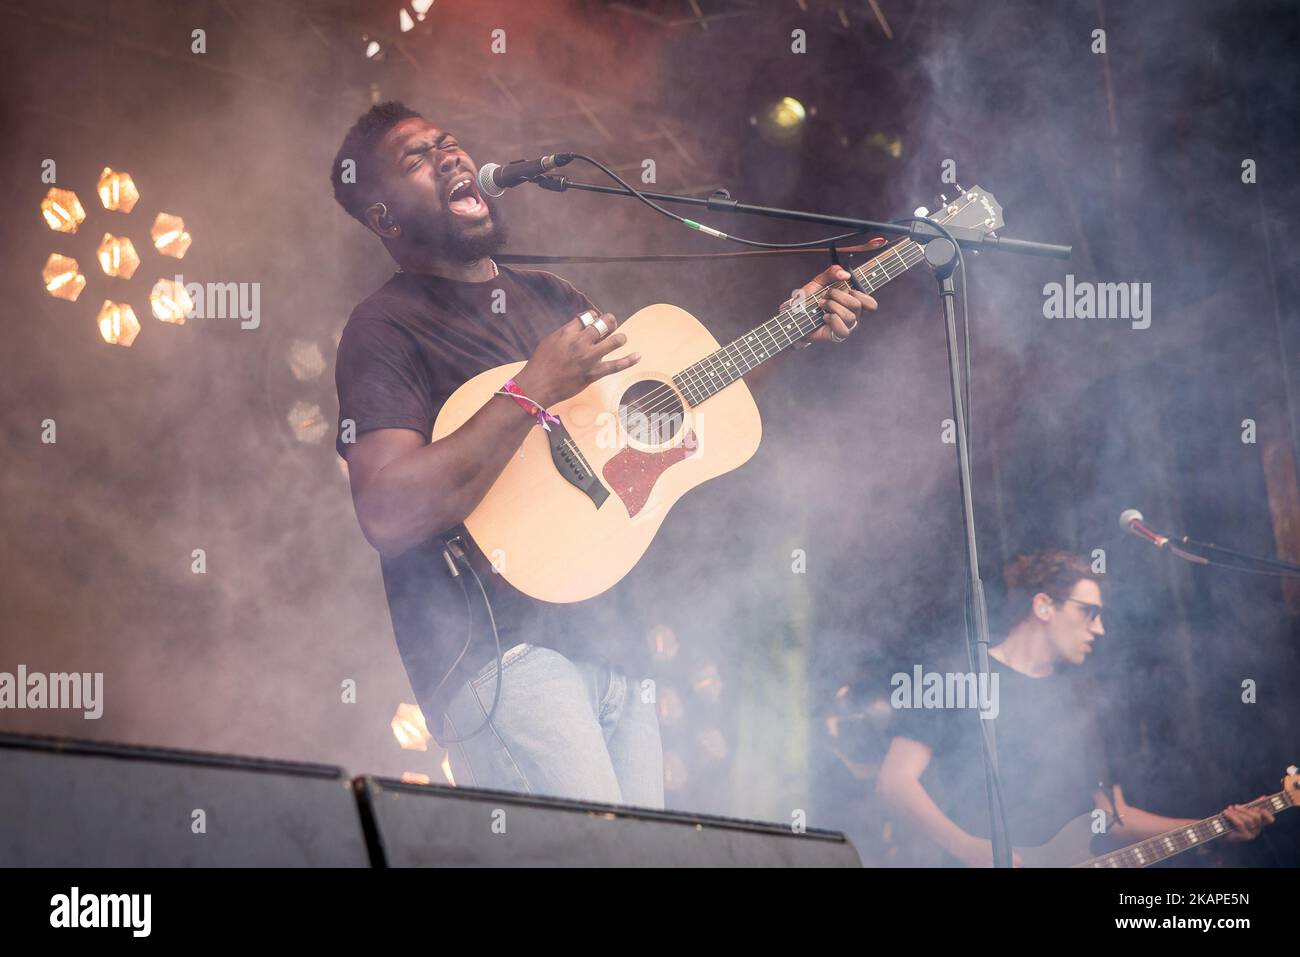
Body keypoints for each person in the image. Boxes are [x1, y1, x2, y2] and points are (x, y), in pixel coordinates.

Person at [329, 101, 877, 809]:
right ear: (384, 218)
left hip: (616, 647)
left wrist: (789, 328)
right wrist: (532, 390)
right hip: (502, 658)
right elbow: (385, 508)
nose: (451, 157)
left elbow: (658, 421)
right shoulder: (383, 327)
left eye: (450, 144)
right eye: (417, 158)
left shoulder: (550, 295)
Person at [876, 549, 1274, 866]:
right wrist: (968, 849)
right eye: (1088, 612)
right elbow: (895, 781)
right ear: (1043, 606)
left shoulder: (1083, 700)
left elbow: (1115, 817)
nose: (1099, 629)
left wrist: (1214, 828)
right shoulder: (959, 676)